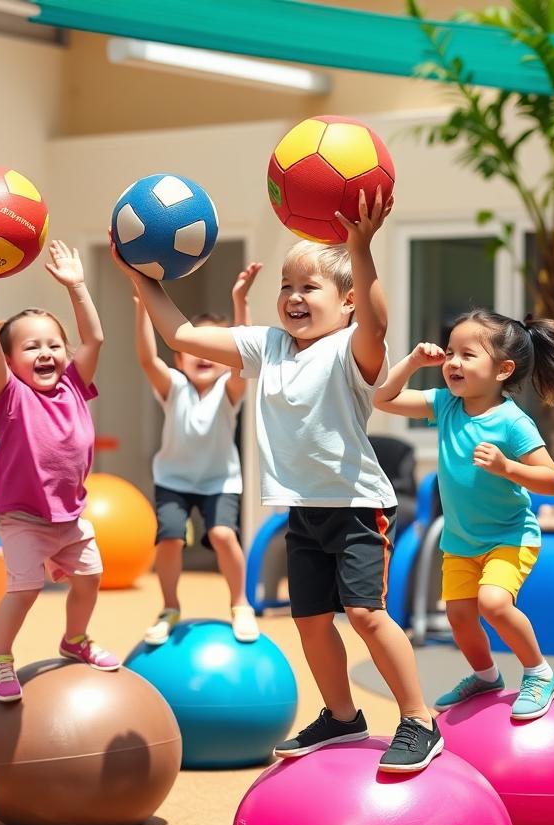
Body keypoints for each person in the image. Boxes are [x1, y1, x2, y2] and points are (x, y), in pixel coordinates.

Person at [116, 189, 442, 773]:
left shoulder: (352, 348)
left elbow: (379, 317)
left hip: (356, 507)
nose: (293, 297)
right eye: (287, 286)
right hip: (303, 510)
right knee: (311, 622)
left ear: (345, 304)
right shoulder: (266, 346)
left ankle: (419, 719)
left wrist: (361, 248)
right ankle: (342, 717)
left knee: (365, 615)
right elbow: (182, 337)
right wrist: (142, 279)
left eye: (309, 287)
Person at [374, 311, 554, 719]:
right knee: (460, 617)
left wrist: (507, 468)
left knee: (493, 604)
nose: (452, 362)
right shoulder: (445, 404)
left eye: (467, 354)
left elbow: (552, 481)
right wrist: (411, 362)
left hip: (510, 537)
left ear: (503, 369)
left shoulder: (514, 422)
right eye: (449, 353)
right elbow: (383, 399)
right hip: (461, 541)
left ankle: (540, 673)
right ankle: (485, 676)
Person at [0, 240, 119, 702]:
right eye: (31, 347)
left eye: (54, 345)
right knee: (24, 589)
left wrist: (77, 286)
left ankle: (75, 639)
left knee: (90, 577)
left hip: (69, 516)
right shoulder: (12, 396)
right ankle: (0, 656)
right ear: (10, 361)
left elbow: (95, 338)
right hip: (23, 516)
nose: (45, 353)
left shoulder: (74, 387)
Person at [134, 262, 262, 645]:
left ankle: (240, 603)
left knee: (223, 534)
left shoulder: (229, 391)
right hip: (172, 479)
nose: (204, 354)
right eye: (196, 347)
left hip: (220, 481)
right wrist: (142, 304)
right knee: (169, 539)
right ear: (180, 357)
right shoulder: (173, 386)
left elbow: (247, 354)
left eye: (214, 347)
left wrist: (241, 301)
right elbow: (146, 358)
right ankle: (170, 606)